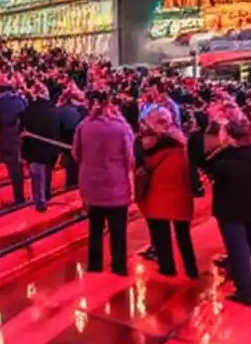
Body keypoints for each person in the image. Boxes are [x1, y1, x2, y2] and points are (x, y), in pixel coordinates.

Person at [202, 119, 251, 306]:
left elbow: (210, 171)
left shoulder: (224, 158)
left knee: (239, 252)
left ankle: (246, 293)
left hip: (231, 211)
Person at [74, 90, 135, 275]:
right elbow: (130, 158)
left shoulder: (84, 126)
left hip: (91, 187)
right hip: (116, 186)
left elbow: (76, 154)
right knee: (118, 232)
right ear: (109, 104)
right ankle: (118, 267)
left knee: (95, 230)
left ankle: (95, 266)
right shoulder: (121, 127)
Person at [137, 106, 198, 279]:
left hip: (157, 194)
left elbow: (142, 166)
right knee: (183, 236)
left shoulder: (150, 145)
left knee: (160, 233)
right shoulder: (182, 143)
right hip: (180, 194)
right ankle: (191, 269)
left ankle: (167, 266)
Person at [21, 82, 63, 212]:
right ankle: (47, 194)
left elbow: (22, 130)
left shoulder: (28, 111)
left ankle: (40, 201)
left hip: (34, 151)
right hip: (51, 150)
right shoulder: (55, 111)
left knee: (37, 178)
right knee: (47, 174)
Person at [0, 74, 29, 205]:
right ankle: (20, 195)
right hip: (20, 136)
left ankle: (19, 198)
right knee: (17, 166)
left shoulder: (0, 100)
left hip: (7, 136)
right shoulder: (21, 99)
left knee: (14, 168)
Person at [57, 83, 86, 190]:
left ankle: (71, 182)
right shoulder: (81, 109)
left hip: (66, 139)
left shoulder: (61, 109)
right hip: (78, 137)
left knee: (70, 162)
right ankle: (76, 181)